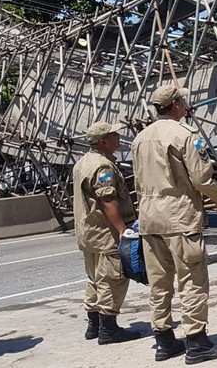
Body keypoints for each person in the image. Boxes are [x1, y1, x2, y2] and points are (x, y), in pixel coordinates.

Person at [131, 84, 217, 364]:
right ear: (175, 104)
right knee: (192, 280)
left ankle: (164, 341)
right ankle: (197, 343)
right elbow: (200, 179)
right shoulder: (185, 134)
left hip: (149, 219)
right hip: (179, 216)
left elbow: (138, 182)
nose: (186, 104)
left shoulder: (140, 138)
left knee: (159, 282)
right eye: (183, 100)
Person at [72, 121, 142, 345]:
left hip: (89, 232)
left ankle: (93, 325)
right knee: (113, 278)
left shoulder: (83, 162)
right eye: (113, 135)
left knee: (94, 277)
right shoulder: (102, 167)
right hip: (106, 233)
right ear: (103, 141)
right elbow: (108, 200)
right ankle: (109, 329)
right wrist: (123, 230)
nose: (118, 137)